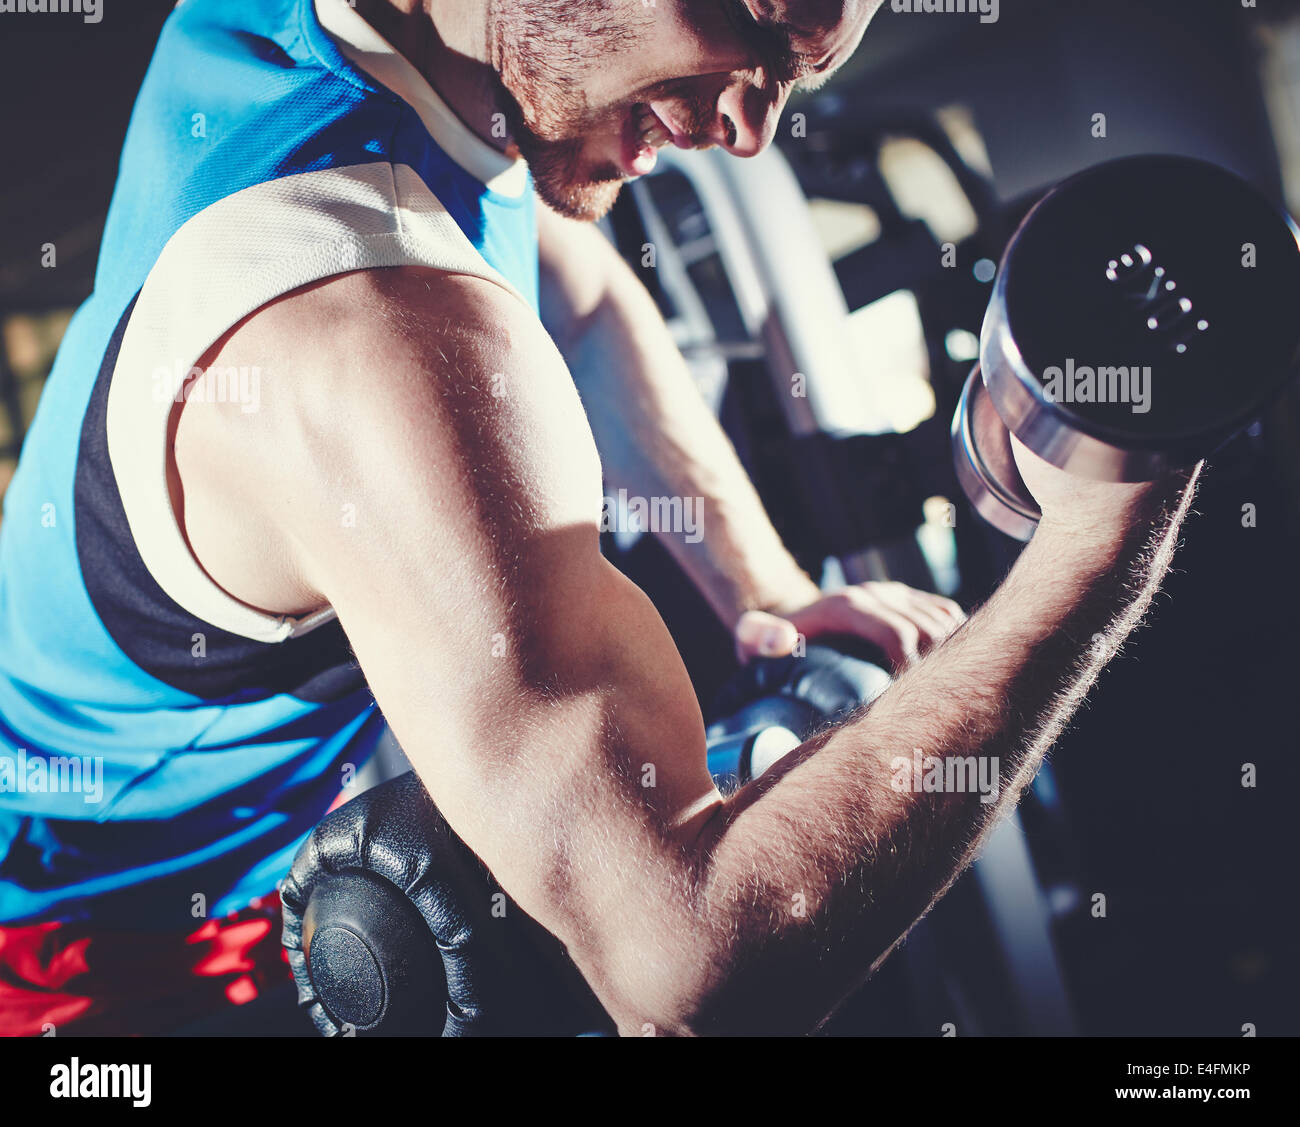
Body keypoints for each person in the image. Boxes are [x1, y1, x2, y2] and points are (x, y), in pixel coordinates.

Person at [0, 0, 1195, 1036]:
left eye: (799, 72)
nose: (752, 128)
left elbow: (580, 290)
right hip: (84, 966)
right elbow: (686, 966)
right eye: (754, 21)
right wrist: (1097, 540)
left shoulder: (399, 64)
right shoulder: (374, 331)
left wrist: (766, 590)